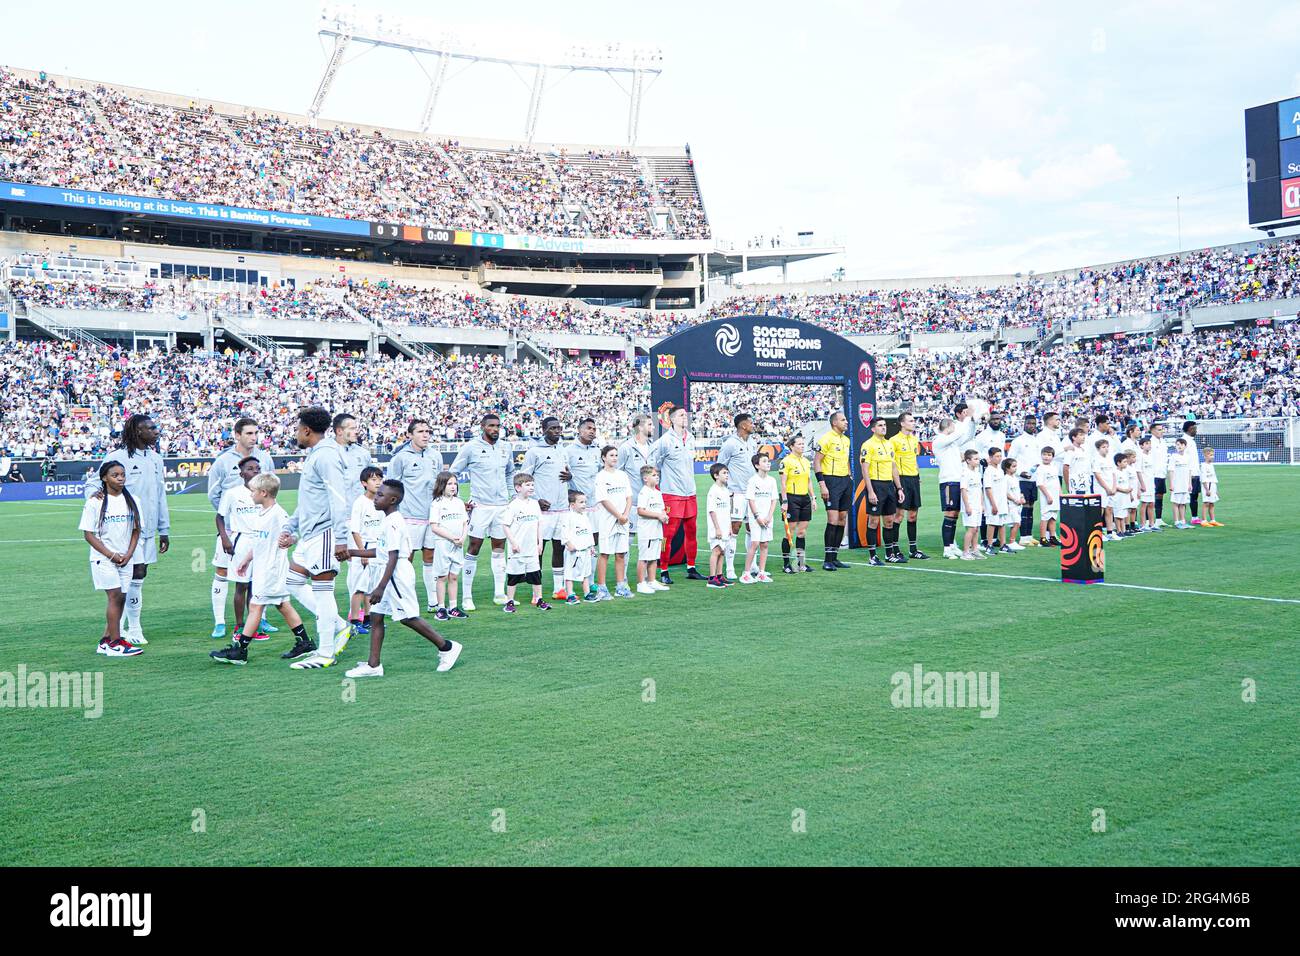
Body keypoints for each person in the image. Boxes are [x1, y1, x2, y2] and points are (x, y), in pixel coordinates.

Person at [345, 479, 463, 678]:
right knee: (376, 618)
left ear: (393, 499)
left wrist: (380, 587)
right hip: (387, 573)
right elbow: (382, 552)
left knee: (407, 617)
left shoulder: (394, 522)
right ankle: (374, 665)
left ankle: (447, 647)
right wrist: (353, 552)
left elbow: (393, 556)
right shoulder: (387, 519)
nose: (376, 497)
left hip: (395, 576)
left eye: (381, 495)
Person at [210, 474, 315, 667]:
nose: (251, 494)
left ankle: (240, 650)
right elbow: (259, 542)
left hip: (271, 570)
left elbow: (293, 535)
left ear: (264, 493)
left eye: (253, 491)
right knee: (282, 604)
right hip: (261, 568)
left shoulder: (278, 514)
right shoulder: (261, 513)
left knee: (256, 606)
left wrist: (289, 540)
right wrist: (245, 561)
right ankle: (305, 643)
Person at [85, 414, 169, 647]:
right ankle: (127, 629)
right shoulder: (117, 457)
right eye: (150, 428)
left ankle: (132, 627)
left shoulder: (155, 459)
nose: (156, 431)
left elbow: (160, 496)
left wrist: (165, 529)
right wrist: (96, 495)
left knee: (140, 575)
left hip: (147, 529)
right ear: (137, 431)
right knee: (130, 576)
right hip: (122, 530)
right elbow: (93, 482)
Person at [278, 406, 352, 670]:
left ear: (307, 430)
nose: (296, 433)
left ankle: (325, 652)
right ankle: (341, 626)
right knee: (292, 581)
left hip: (326, 533)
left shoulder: (326, 456)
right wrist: (292, 527)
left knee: (323, 592)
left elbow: (338, 498)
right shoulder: (317, 455)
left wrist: (341, 538)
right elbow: (310, 500)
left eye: (298, 428)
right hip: (311, 534)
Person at [206, 416, 276, 639]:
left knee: (257, 576)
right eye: (249, 433)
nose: (254, 437)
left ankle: (260, 620)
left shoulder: (265, 458)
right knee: (224, 573)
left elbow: (272, 490)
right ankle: (219, 622)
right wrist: (230, 519)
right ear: (237, 435)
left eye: (256, 433)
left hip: (258, 532)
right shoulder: (223, 461)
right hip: (232, 532)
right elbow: (213, 493)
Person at [449, 413, 515, 609]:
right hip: (480, 506)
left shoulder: (505, 446)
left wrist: (511, 495)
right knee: (474, 547)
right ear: (482, 426)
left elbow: (510, 471)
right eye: (491, 426)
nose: (495, 429)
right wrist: (459, 499)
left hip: (502, 506)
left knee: (499, 549)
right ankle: (467, 596)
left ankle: (499, 593)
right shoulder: (471, 448)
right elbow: (453, 472)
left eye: (498, 426)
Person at [80, 461, 142, 658]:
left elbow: (136, 530)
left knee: (121, 597)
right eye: (115, 475)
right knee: (115, 596)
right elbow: (89, 535)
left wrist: (129, 553)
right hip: (104, 558)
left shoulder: (133, 500)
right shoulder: (95, 502)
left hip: (125, 558)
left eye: (123, 474)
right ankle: (116, 642)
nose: (121, 478)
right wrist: (112, 555)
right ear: (105, 478)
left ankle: (106, 641)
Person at [385, 419, 439, 610]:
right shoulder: (400, 458)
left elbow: (438, 485)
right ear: (409, 435)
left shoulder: (435, 455)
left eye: (428, 431)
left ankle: (433, 602)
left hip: (431, 516)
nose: (426, 435)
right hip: (408, 517)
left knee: (430, 557)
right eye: (421, 431)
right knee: (405, 560)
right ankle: (402, 601)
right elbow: (390, 488)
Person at [651, 406, 706, 583]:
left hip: (690, 493)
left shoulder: (690, 438)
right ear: (672, 419)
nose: (685, 417)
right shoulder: (664, 441)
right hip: (672, 494)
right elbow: (653, 465)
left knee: (692, 532)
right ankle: (664, 570)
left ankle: (691, 567)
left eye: (685, 415)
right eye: (681, 415)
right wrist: (659, 484)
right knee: (668, 534)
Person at [213, 455, 264, 641]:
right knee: (241, 585)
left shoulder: (264, 492)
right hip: (241, 541)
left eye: (257, 468)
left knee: (255, 585)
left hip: (261, 542)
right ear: (241, 473)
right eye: (251, 469)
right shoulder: (233, 493)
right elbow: (219, 517)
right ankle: (239, 626)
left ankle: (252, 627)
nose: (255, 471)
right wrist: (225, 539)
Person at [521, 416, 570, 599]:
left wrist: (570, 476)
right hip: (543, 510)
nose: (557, 431)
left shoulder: (562, 449)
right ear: (543, 430)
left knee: (560, 548)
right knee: (539, 550)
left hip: (562, 509)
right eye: (552, 428)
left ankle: (559, 589)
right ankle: (537, 592)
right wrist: (535, 499)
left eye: (558, 428)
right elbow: (523, 478)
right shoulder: (534, 452)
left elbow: (566, 473)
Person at [717, 413, 760, 580]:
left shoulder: (752, 442)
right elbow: (720, 466)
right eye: (750, 422)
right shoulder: (730, 444)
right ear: (743, 425)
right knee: (734, 529)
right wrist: (726, 489)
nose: (752, 424)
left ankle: (753, 565)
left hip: (752, 494)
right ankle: (729, 567)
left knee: (753, 529)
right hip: (737, 493)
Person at [501, 472, 550, 612]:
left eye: (532, 485)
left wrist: (540, 542)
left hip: (532, 548)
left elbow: (540, 524)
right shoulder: (513, 505)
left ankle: (539, 599)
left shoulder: (535, 504)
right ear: (518, 488)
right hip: (518, 549)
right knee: (513, 576)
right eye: (527, 485)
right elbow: (505, 526)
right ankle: (509, 601)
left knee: (536, 574)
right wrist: (513, 543)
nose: (531, 487)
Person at [346, 466, 385, 632]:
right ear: (364, 483)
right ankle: (354, 621)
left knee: (371, 586)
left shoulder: (381, 501)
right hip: (364, 548)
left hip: (378, 549)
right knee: (358, 587)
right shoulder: (360, 503)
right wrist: (362, 552)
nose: (378, 483)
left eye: (380, 479)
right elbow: (355, 529)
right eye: (373, 480)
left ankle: (368, 618)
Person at [813, 411, 853, 570]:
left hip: (845, 481)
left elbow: (847, 460)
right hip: (831, 481)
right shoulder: (826, 439)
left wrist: (849, 477)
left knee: (842, 518)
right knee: (833, 519)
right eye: (843, 420)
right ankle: (827, 559)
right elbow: (817, 462)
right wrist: (822, 484)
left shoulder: (846, 440)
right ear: (834, 423)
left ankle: (835, 557)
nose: (846, 422)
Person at [593, 445, 634, 599]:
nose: (615, 458)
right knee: (604, 553)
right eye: (611, 455)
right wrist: (619, 515)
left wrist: (625, 514)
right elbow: (603, 499)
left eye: (616, 455)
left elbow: (629, 496)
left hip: (623, 520)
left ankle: (621, 586)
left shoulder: (622, 475)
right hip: (607, 520)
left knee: (621, 553)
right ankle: (602, 588)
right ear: (604, 457)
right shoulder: (601, 477)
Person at [934, 411, 976, 559]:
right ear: (949, 426)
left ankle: (951, 545)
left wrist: (973, 421)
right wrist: (968, 418)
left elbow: (967, 436)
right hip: (948, 481)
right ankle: (946, 549)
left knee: (955, 514)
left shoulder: (951, 442)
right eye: (954, 426)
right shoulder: (939, 440)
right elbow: (959, 435)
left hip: (957, 481)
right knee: (950, 513)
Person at [428, 471, 470, 620]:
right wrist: (453, 538)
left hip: (458, 545)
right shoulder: (437, 503)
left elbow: (465, 522)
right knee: (442, 576)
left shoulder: (459, 502)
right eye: (449, 484)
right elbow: (435, 527)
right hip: (443, 544)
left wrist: (463, 538)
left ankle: (453, 607)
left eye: (455, 483)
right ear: (441, 485)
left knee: (454, 576)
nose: (453, 487)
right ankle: (441, 608)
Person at [860, 417, 901, 566]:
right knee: (874, 520)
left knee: (889, 521)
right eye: (880, 425)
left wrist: (899, 488)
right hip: (876, 485)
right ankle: (873, 556)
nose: (884, 427)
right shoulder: (868, 445)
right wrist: (870, 491)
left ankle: (890, 554)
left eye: (884, 425)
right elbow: (864, 469)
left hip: (889, 485)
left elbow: (893, 467)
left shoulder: (889, 444)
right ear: (873, 429)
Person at [890, 412, 928, 559]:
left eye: (913, 421)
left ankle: (913, 550)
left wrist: (918, 476)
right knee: (898, 516)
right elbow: (892, 464)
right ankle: (894, 548)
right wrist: (897, 484)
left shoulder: (914, 440)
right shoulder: (893, 441)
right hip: (902, 479)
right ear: (902, 423)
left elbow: (914, 460)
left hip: (913, 480)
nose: (913, 423)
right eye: (911, 421)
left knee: (913, 515)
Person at [778, 434, 815, 573]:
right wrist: (785, 500)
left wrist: (813, 498)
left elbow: (809, 481)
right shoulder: (786, 461)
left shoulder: (805, 461)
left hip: (804, 498)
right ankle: (786, 564)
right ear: (792, 446)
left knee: (802, 532)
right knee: (790, 532)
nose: (802, 446)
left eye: (802, 443)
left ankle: (801, 563)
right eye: (799, 444)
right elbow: (783, 482)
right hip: (791, 499)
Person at [739, 451, 777, 584]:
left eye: (768, 461)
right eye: (764, 461)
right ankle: (746, 573)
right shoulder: (753, 481)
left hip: (767, 518)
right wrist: (757, 516)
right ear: (757, 465)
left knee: (765, 544)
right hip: (756, 518)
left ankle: (761, 573)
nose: (768, 463)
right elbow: (751, 500)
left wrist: (769, 516)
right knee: (754, 544)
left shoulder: (772, 480)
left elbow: (774, 500)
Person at [634, 465, 670, 594]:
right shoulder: (644, 492)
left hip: (657, 529)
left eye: (657, 475)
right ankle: (641, 583)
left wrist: (664, 516)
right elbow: (641, 510)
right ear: (645, 478)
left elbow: (661, 509)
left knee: (654, 557)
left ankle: (652, 580)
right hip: (647, 530)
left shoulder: (657, 492)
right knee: (644, 557)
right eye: (654, 475)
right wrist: (658, 516)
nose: (657, 477)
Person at [1009, 414, 1041, 548]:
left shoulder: (1036, 440)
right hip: (1022, 479)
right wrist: (1020, 472)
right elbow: (1010, 459)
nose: (1031, 426)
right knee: (1023, 508)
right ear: (1024, 424)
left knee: (1031, 508)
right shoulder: (1018, 441)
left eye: (1033, 423)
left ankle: (1029, 536)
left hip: (1034, 479)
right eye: (1029, 423)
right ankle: (1022, 537)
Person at [560, 490, 596, 604]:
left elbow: (589, 531)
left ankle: (587, 593)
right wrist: (568, 543)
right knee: (570, 573)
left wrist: (591, 546)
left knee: (586, 572)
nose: (584, 505)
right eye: (581, 502)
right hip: (574, 551)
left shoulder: (585, 516)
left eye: (585, 502)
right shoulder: (568, 517)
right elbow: (564, 532)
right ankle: (570, 594)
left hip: (585, 550)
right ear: (572, 504)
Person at [705, 463, 733, 588]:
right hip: (716, 527)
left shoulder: (726, 490)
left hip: (725, 526)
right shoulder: (713, 490)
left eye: (727, 473)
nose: (727, 475)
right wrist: (717, 528)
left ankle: (719, 575)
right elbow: (712, 510)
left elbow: (728, 511)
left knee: (723, 551)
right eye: (724, 473)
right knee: (716, 550)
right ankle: (711, 578)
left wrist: (730, 527)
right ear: (716, 475)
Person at [617, 413, 656, 501]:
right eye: (649, 424)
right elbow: (616, 474)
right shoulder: (626, 448)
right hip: (633, 504)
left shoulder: (653, 447)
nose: (653, 427)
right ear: (640, 427)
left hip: (652, 501)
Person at [959, 450, 985, 560]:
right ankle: (965, 552)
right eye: (975, 459)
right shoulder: (965, 473)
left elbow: (980, 490)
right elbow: (963, 490)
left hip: (977, 505)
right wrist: (967, 506)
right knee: (971, 529)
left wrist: (982, 504)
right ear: (968, 460)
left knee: (977, 528)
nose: (978, 461)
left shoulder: (978, 473)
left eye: (978, 459)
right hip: (969, 505)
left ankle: (975, 550)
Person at [982, 446, 1007, 554]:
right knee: (992, 523)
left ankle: (1003, 545)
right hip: (993, 502)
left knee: (1002, 523)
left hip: (1002, 501)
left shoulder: (1000, 470)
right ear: (991, 457)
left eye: (1000, 456)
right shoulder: (988, 471)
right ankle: (989, 545)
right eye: (997, 456)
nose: (999, 458)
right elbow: (988, 488)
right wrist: (993, 504)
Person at [1036, 446, 1060, 546]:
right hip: (1047, 496)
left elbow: (1057, 481)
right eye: (1044, 454)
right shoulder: (1041, 468)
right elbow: (1040, 484)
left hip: (1055, 496)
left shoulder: (1054, 467)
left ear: (1052, 456)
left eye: (1049, 455)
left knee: (1053, 517)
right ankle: (1043, 538)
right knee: (1045, 516)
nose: (1046, 457)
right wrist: (1048, 496)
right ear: (1041, 455)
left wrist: (1060, 493)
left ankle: (1052, 536)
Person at [1001, 459, 1026, 551]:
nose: (1015, 468)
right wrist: (1014, 500)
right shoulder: (1005, 478)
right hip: (1011, 504)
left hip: (1018, 504)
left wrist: (1022, 497)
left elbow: (1018, 490)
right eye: (1013, 466)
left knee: (1016, 523)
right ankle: (1012, 542)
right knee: (1016, 522)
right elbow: (1006, 492)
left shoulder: (1015, 478)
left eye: (1016, 466)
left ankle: (1012, 541)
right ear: (1007, 468)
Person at [1168, 437, 1192, 528]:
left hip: (1185, 484)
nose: (1179, 446)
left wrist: (1190, 484)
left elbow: (1189, 471)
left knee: (1183, 503)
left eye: (1181, 444)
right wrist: (1171, 484)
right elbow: (1171, 471)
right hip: (1176, 483)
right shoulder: (1173, 457)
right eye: (1177, 445)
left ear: (1185, 446)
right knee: (1176, 503)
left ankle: (1183, 520)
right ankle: (1176, 521)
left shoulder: (1188, 457)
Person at [1148, 422, 1169, 527]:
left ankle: (1159, 518)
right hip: (1153, 474)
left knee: (1160, 495)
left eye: (1162, 429)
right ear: (1152, 431)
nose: (1162, 431)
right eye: (1159, 429)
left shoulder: (1163, 442)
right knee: (1151, 497)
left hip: (1162, 473)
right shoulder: (1150, 442)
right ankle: (1148, 520)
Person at [1061, 427, 1092, 495]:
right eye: (1081, 435)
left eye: (1084, 435)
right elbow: (1065, 468)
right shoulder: (1071, 450)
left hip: (1086, 481)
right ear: (1074, 438)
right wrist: (1067, 484)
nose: (1083, 437)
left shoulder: (1084, 450)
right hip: (1075, 481)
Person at [1182, 421, 1203, 524]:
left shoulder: (1192, 441)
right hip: (1188, 473)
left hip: (1195, 472)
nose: (1196, 430)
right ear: (1190, 429)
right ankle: (1182, 518)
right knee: (1186, 496)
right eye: (1194, 428)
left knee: (1194, 495)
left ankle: (1194, 517)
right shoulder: (1184, 441)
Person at [1137, 436, 1158, 532]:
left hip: (1151, 482)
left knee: (1152, 504)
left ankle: (1152, 524)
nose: (1149, 445)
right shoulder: (1140, 456)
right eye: (1146, 444)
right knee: (1144, 504)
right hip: (1144, 483)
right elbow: (1138, 471)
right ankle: (1142, 524)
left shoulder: (1151, 455)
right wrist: (1142, 484)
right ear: (1141, 446)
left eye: (1149, 443)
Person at [1200, 447, 1222, 526]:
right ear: (1205, 455)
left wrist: (1216, 490)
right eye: (1210, 455)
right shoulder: (1203, 465)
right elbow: (1203, 478)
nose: (1212, 457)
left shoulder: (1211, 465)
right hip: (1207, 486)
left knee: (1212, 503)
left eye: (1213, 455)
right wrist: (1206, 489)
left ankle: (1213, 520)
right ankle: (1204, 521)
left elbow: (1214, 477)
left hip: (1213, 485)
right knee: (1206, 503)